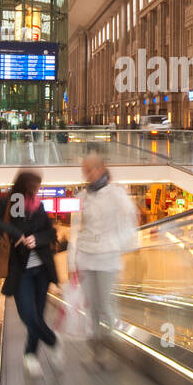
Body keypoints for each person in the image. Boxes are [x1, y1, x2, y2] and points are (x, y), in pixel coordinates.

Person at [0, 169, 61, 376]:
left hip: (42, 270)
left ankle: (31, 354)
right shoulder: (9, 203)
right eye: (33, 187)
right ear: (23, 186)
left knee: (37, 315)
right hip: (21, 270)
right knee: (27, 314)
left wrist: (37, 239)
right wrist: (17, 234)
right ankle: (52, 340)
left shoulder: (39, 206)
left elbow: (51, 232)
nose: (36, 190)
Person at [69, 151, 139, 364]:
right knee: (91, 306)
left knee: (106, 306)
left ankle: (110, 346)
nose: (87, 174)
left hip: (108, 258)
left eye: (90, 170)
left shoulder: (116, 194)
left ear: (100, 169)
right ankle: (97, 350)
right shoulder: (82, 197)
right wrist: (72, 261)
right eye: (85, 171)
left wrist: (119, 244)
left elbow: (130, 219)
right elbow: (75, 229)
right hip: (87, 258)